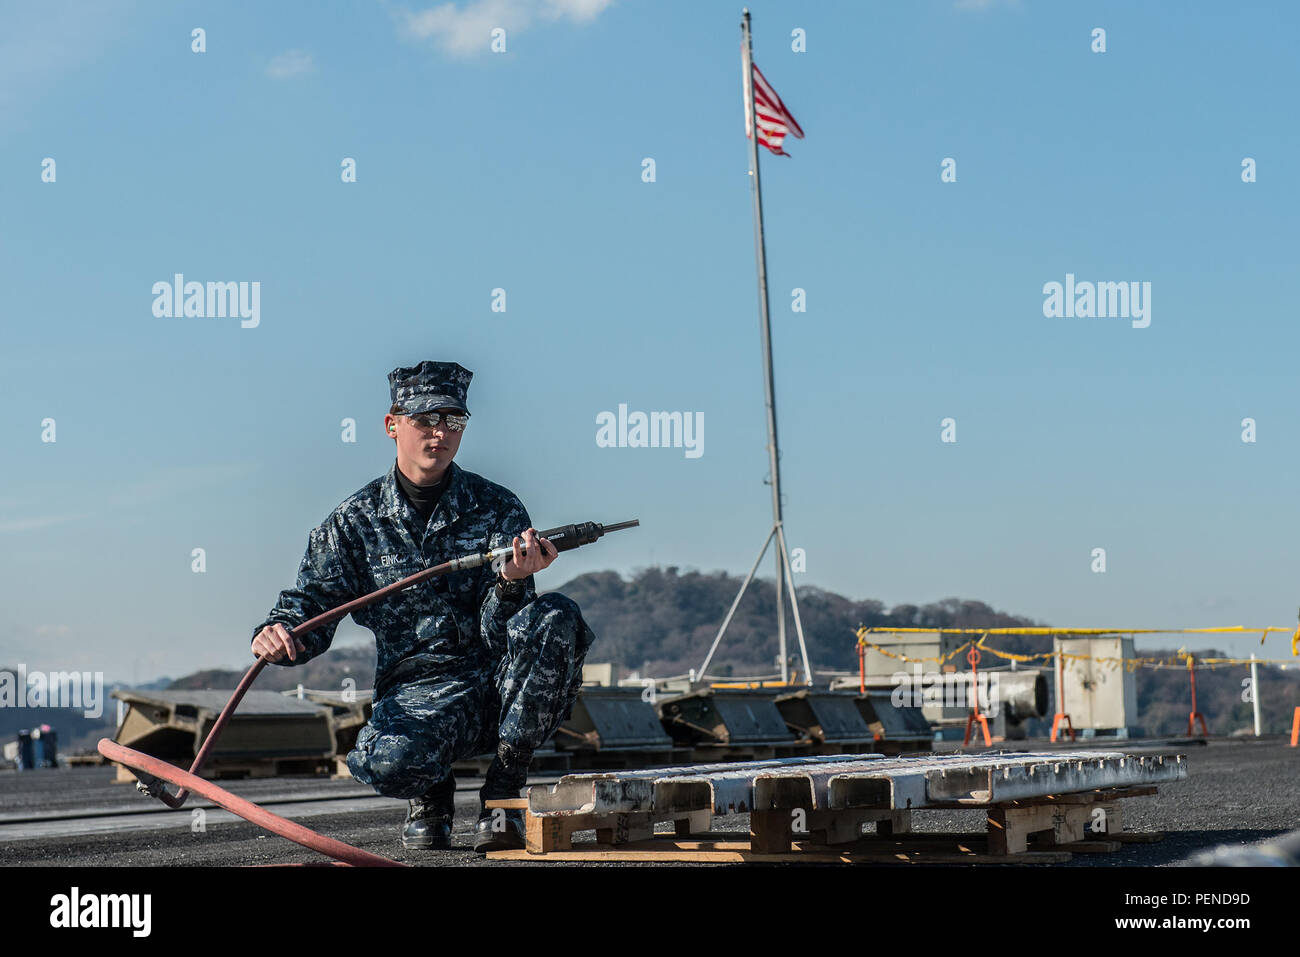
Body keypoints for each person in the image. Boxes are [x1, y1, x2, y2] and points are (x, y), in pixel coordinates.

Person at [250, 360, 597, 852]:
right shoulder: (353, 523)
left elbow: (509, 630)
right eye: (425, 420)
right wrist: (279, 631)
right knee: (385, 764)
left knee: (555, 615)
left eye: (453, 421)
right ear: (392, 425)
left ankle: (504, 794)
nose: (440, 434)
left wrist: (512, 584)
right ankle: (429, 792)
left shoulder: (497, 506)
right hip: (417, 690)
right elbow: (313, 604)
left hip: (496, 685)